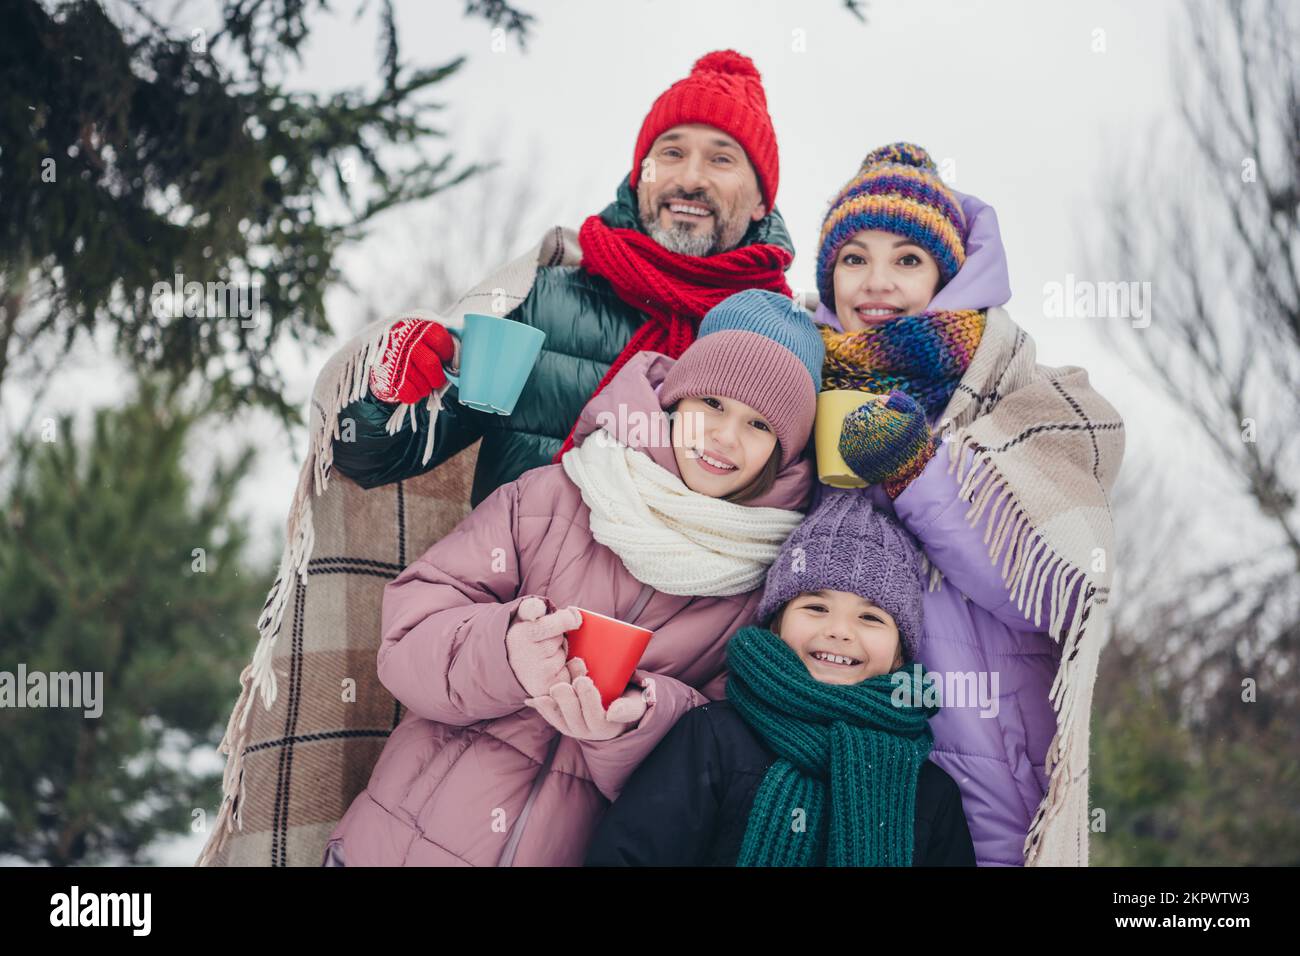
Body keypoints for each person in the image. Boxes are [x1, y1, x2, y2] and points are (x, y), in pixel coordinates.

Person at [321, 289, 824, 865]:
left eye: (758, 424)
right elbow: (408, 639)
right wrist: (506, 651)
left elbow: (729, 750)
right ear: (671, 402)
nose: (724, 437)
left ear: (785, 454)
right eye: (711, 402)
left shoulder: (766, 588)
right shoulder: (555, 496)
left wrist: (640, 717)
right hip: (395, 846)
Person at [804, 142, 1125, 865]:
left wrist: (915, 473)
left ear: (949, 276)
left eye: (908, 260)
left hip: (989, 779)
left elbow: (1049, 589)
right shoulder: (800, 379)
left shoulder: (1023, 396)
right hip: (837, 766)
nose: (876, 282)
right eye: (853, 258)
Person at [331, 50, 797, 506]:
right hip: (518, 578)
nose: (691, 178)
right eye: (671, 152)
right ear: (640, 176)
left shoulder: (790, 344)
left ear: (761, 200)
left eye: (721, 160)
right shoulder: (542, 302)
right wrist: (387, 393)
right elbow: (371, 461)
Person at [585, 490, 976, 866]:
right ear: (776, 625)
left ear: (899, 656)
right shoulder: (715, 739)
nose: (840, 630)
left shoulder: (929, 793)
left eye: (870, 617)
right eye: (816, 606)